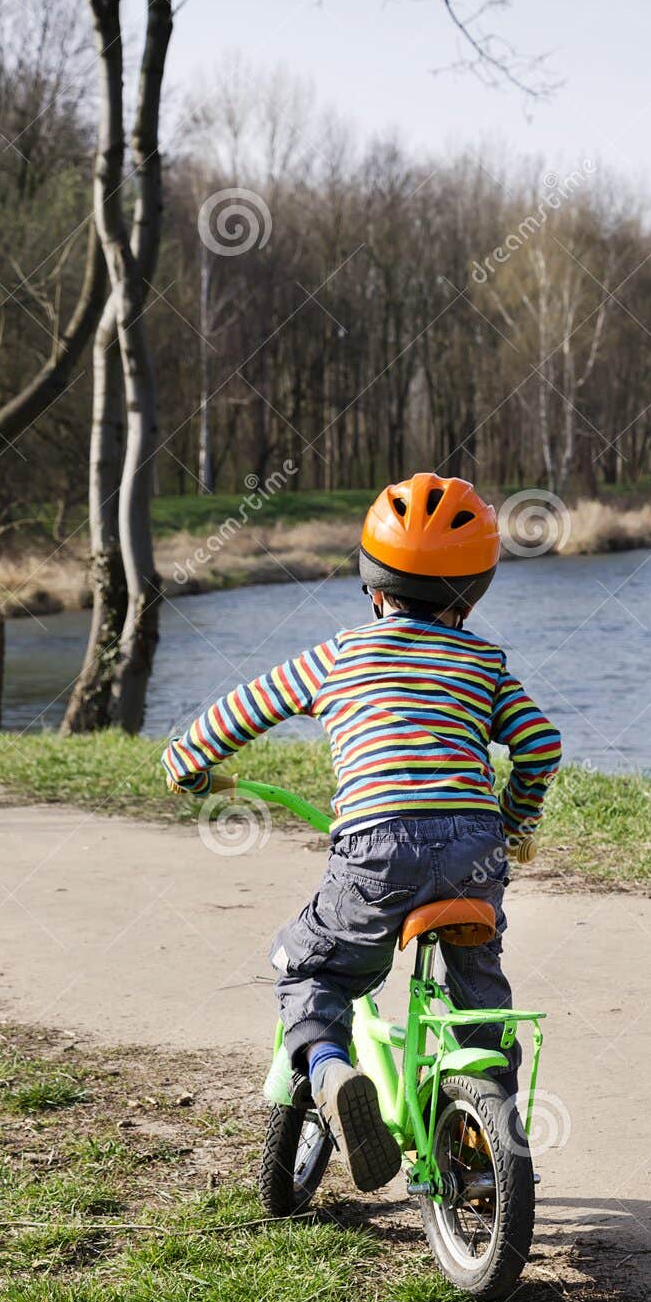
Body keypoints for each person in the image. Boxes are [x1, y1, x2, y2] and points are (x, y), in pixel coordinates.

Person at [162, 473, 562, 1192]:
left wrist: (188, 765)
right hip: (474, 852)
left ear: (372, 586)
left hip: (376, 849)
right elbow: (539, 745)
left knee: (311, 968)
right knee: (480, 995)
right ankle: (482, 1148)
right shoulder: (484, 663)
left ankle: (328, 1071)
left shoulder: (338, 655)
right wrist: (515, 822)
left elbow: (238, 712)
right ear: (472, 596)